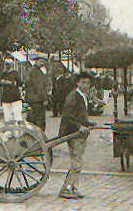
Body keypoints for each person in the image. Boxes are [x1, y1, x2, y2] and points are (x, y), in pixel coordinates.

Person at [58, 71, 96, 199]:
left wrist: (88, 123)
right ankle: (66, 188)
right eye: (83, 82)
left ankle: (73, 187)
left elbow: (80, 115)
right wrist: (80, 126)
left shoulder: (83, 96)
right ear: (77, 83)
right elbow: (68, 116)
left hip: (81, 133)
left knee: (78, 161)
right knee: (77, 162)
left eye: (88, 83)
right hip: (73, 133)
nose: (85, 85)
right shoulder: (73, 96)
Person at [25, 56, 48, 131]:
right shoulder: (36, 71)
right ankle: (39, 137)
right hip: (37, 99)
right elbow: (39, 86)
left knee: (33, 119)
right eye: (41, 61)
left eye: (43, 62)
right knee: (39, 120)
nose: (42, 63)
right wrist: (45, 99)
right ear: (36, 61)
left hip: (33, 99)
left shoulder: (33, 70)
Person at [0, 58, 23, 124]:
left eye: (9, 64)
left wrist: (9, 83)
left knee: (17, 116)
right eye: (6, 64)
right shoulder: (3, 74)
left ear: (12, 65)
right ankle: (9, 131)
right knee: (7, 117)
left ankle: (18, 130)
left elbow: (20, 83)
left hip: (15, 97)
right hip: (6, 98)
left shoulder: (15, 73)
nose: (7, 66)